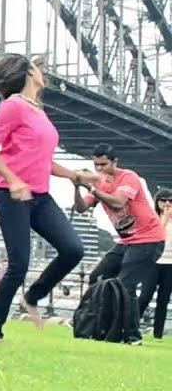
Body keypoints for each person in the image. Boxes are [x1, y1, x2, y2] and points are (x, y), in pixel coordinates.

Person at [0, 53, 88, 342]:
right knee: (19, 264)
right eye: (39, 68)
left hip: (40, 195)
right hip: (11, 194)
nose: (44, 73)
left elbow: (44, 160)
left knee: (73, 249)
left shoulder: (37, 109)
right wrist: (14, 181)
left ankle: (33, 296)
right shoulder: (12, 106)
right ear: (28, 72)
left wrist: (76, 175)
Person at [73, 144, 166, 344]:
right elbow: (81, 208)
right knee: (97, 276)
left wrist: (91, 187)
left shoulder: (128, 177)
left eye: (104, 164)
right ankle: (99, 325)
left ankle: (132, 335)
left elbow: (118, 203)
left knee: (125, 285)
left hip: (149, 239)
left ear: (115, 162)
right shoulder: (99, 183)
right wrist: (77, 188)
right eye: (96, 165)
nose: (99, 169)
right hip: (127, 241)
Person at [136, 189, 172, 339]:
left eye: (170, 201)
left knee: (163, 300)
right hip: (153, 262)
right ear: (157, 201)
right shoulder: (152, 217)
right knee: (145, 296)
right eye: (163, 200)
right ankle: (131, 325)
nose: (167, 204)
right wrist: (164, 218)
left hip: (170, 263)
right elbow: (155, 235)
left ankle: (158, 334)